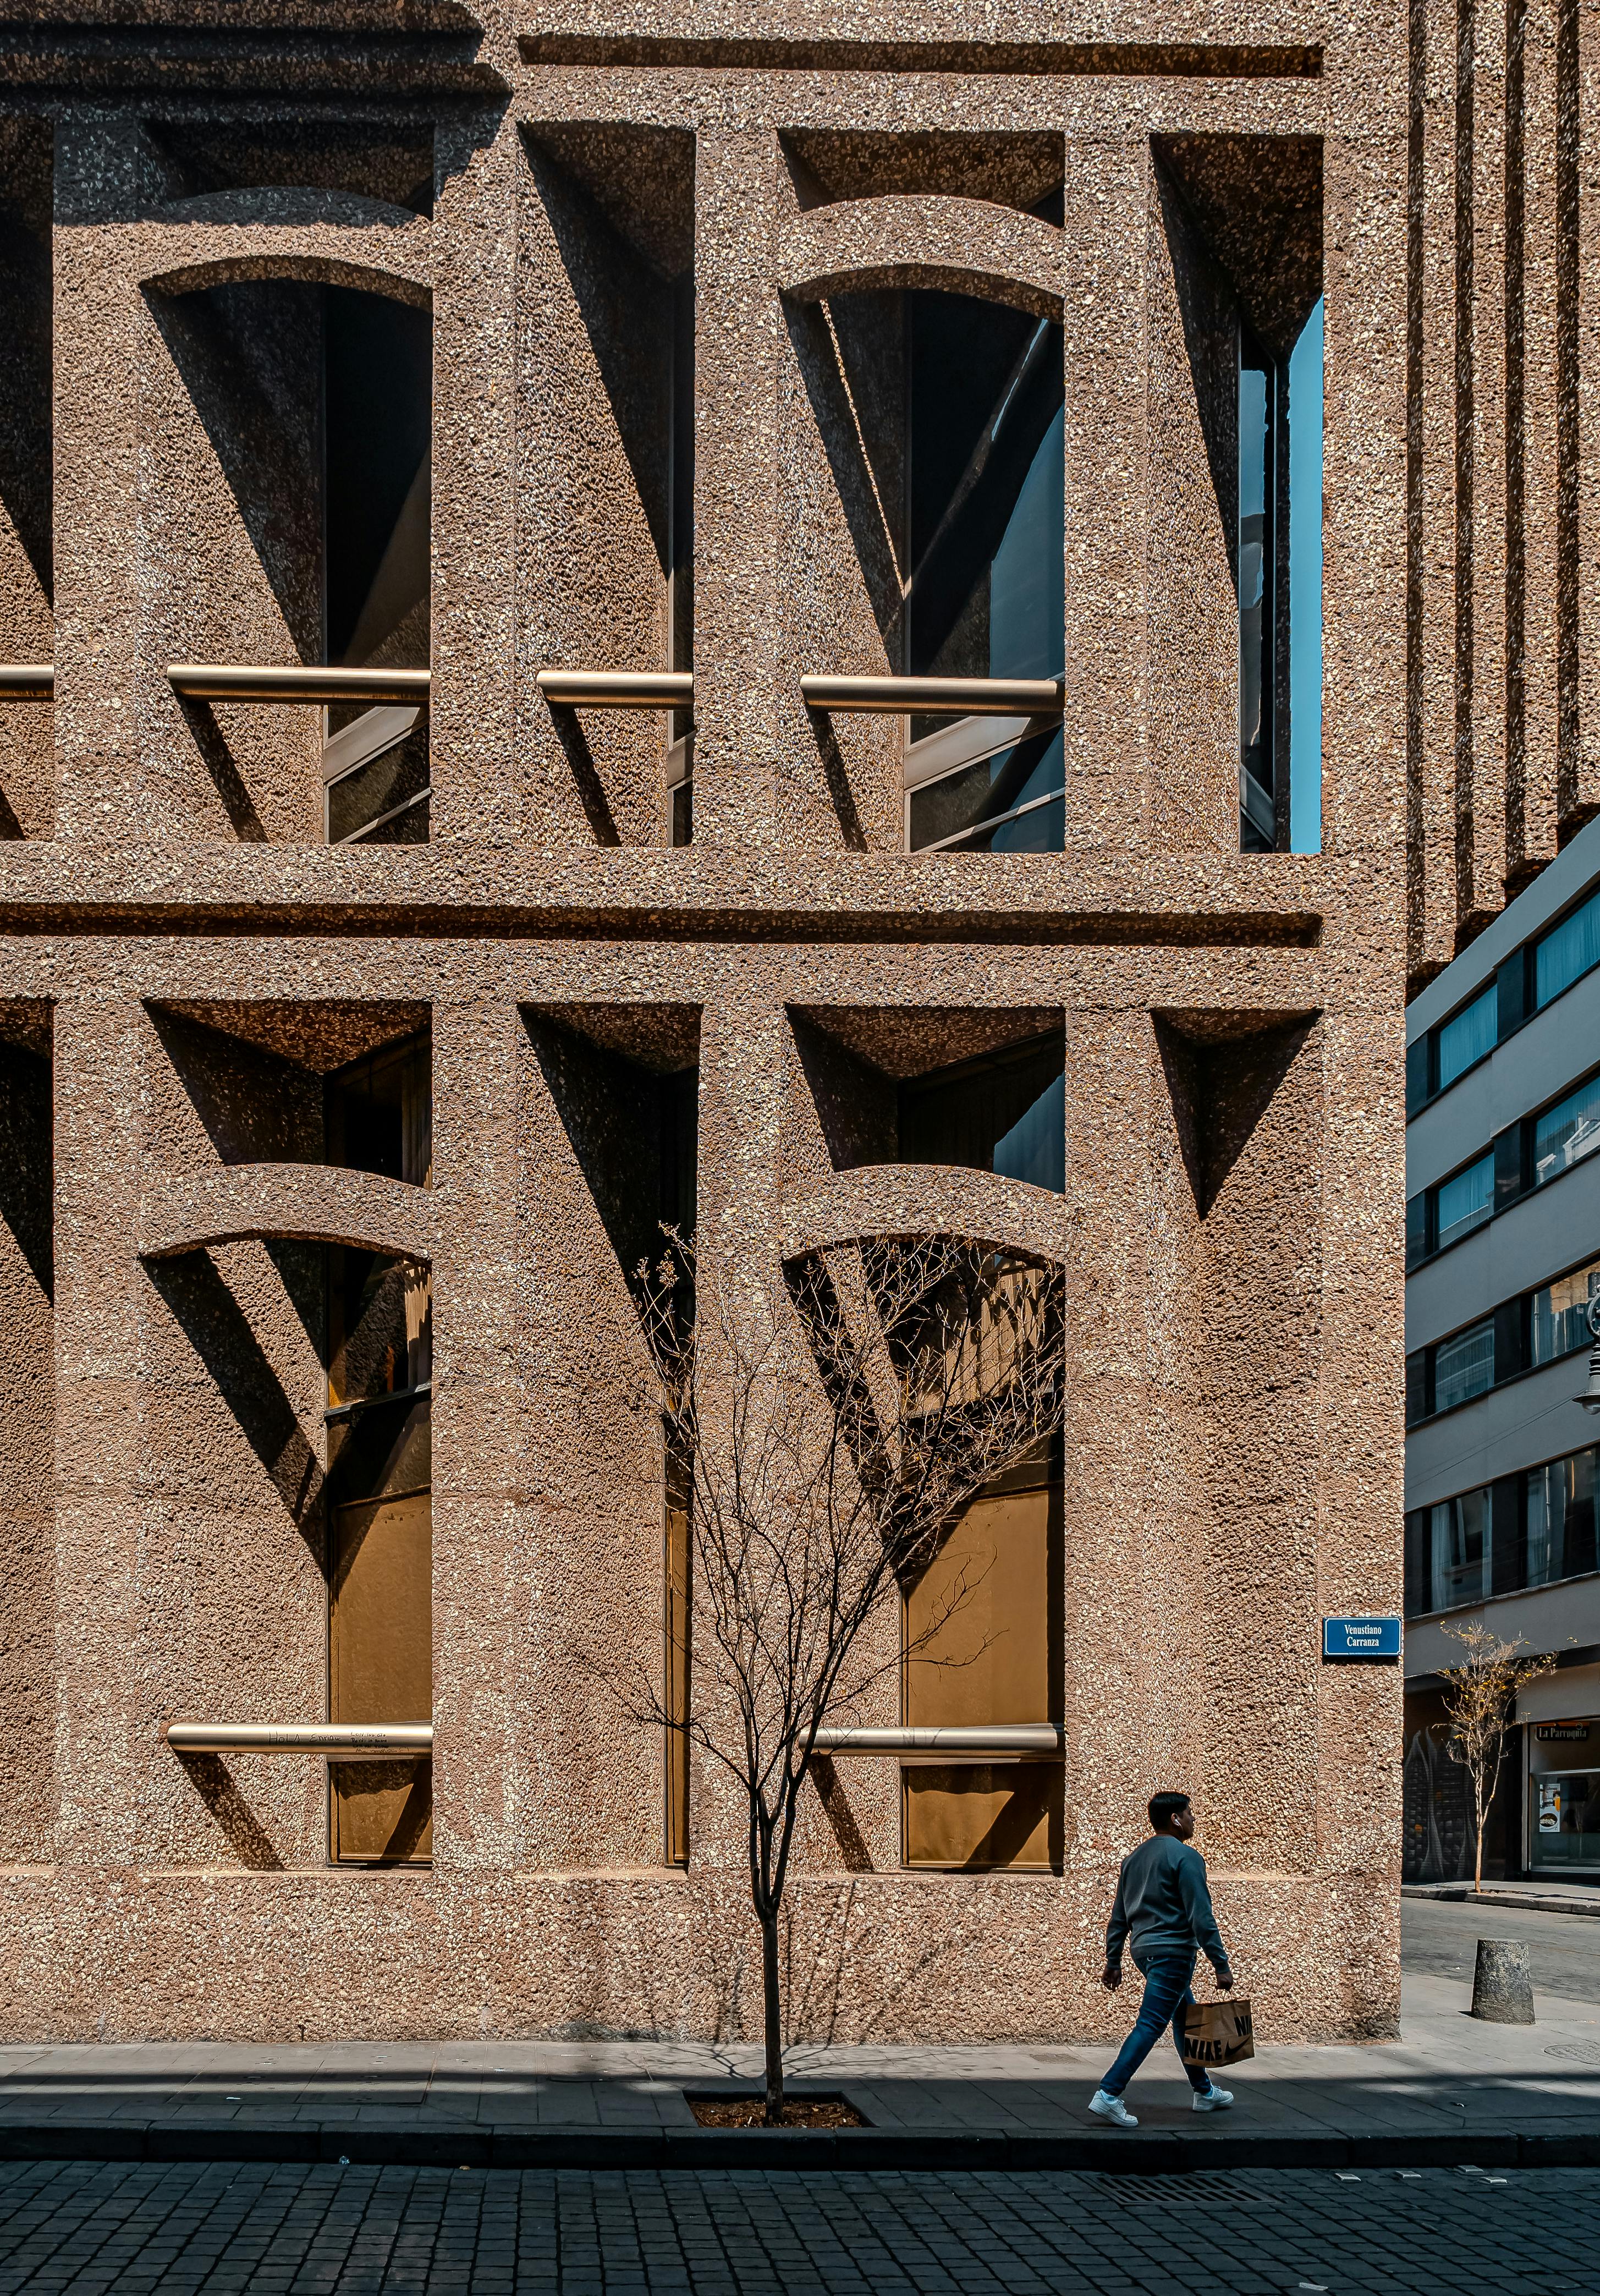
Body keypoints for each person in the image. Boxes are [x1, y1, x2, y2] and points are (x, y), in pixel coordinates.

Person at [1088, 1790, 1236, 2128]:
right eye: (1189, 1814)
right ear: (1175, 1819)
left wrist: (1114, 1960)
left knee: (1186, 2019)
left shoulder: (1134, 1858)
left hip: (1145, 1952)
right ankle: (1108, 2095)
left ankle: (1203, 2091)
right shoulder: (1185, 1857)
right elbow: (1202, 1916)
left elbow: (1119, 1916)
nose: (1193, 1819)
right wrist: (1220, 1963)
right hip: (1173, 1953)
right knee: (1152, 2024)